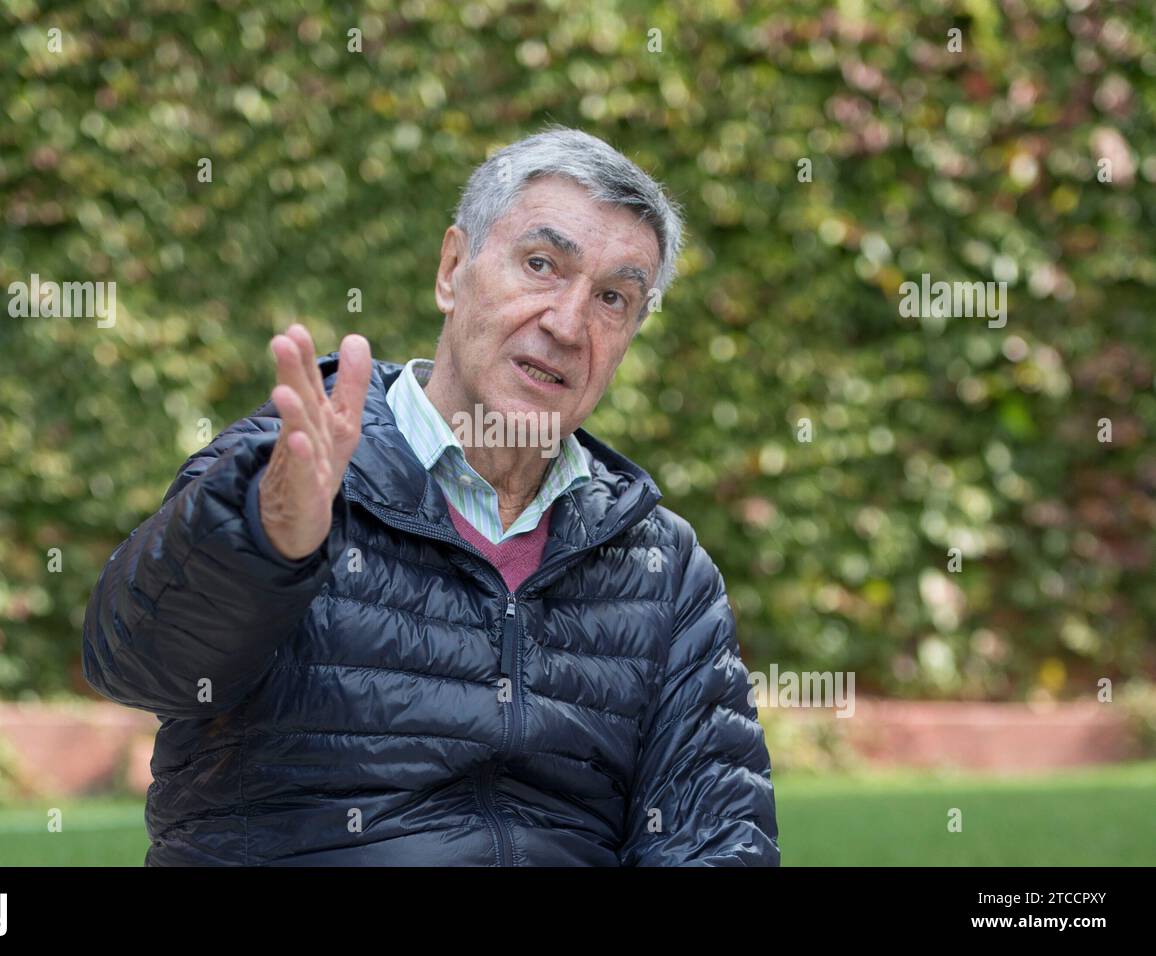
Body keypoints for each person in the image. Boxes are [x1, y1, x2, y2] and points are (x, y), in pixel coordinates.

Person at [83, 126, 780, 866]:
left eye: (612, 297)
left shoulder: (661, 564)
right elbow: (136, 666)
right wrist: (265, 542)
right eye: (541, 264)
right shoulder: (284, 470)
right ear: (453, 270)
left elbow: (713, 836)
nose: (568, 324)